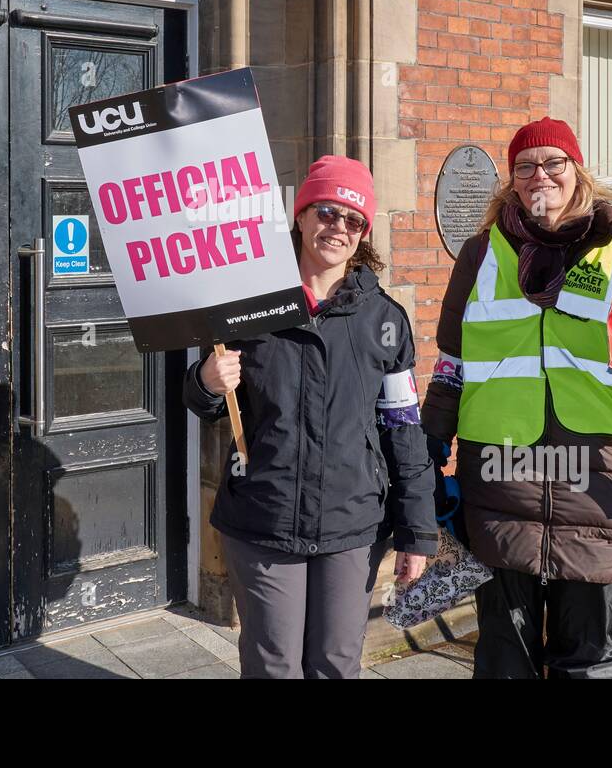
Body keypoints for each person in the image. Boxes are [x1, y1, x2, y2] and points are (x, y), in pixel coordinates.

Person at [421, 118, 612, 678]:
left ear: (577, 170)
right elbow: (453, 363)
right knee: (506, 657)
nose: (540, 177)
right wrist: (428, 448)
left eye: (554, 163)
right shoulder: (481, 254)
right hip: (501, 474)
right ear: (511, 181)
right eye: (525, 166)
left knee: (590, 659)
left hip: (594, 476)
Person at [184, 155, 438, 678]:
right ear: (299, 216)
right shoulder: (248, 304)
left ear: (363, 232)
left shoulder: (384, 321)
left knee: (335, 664)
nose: (337, 227)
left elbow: (404, 431)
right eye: (326, 211)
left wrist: (418, 533)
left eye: (352, 219)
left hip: (352, 522)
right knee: (272, 664)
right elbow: (207, 402)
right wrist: (204, 383)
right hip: (264, 516)